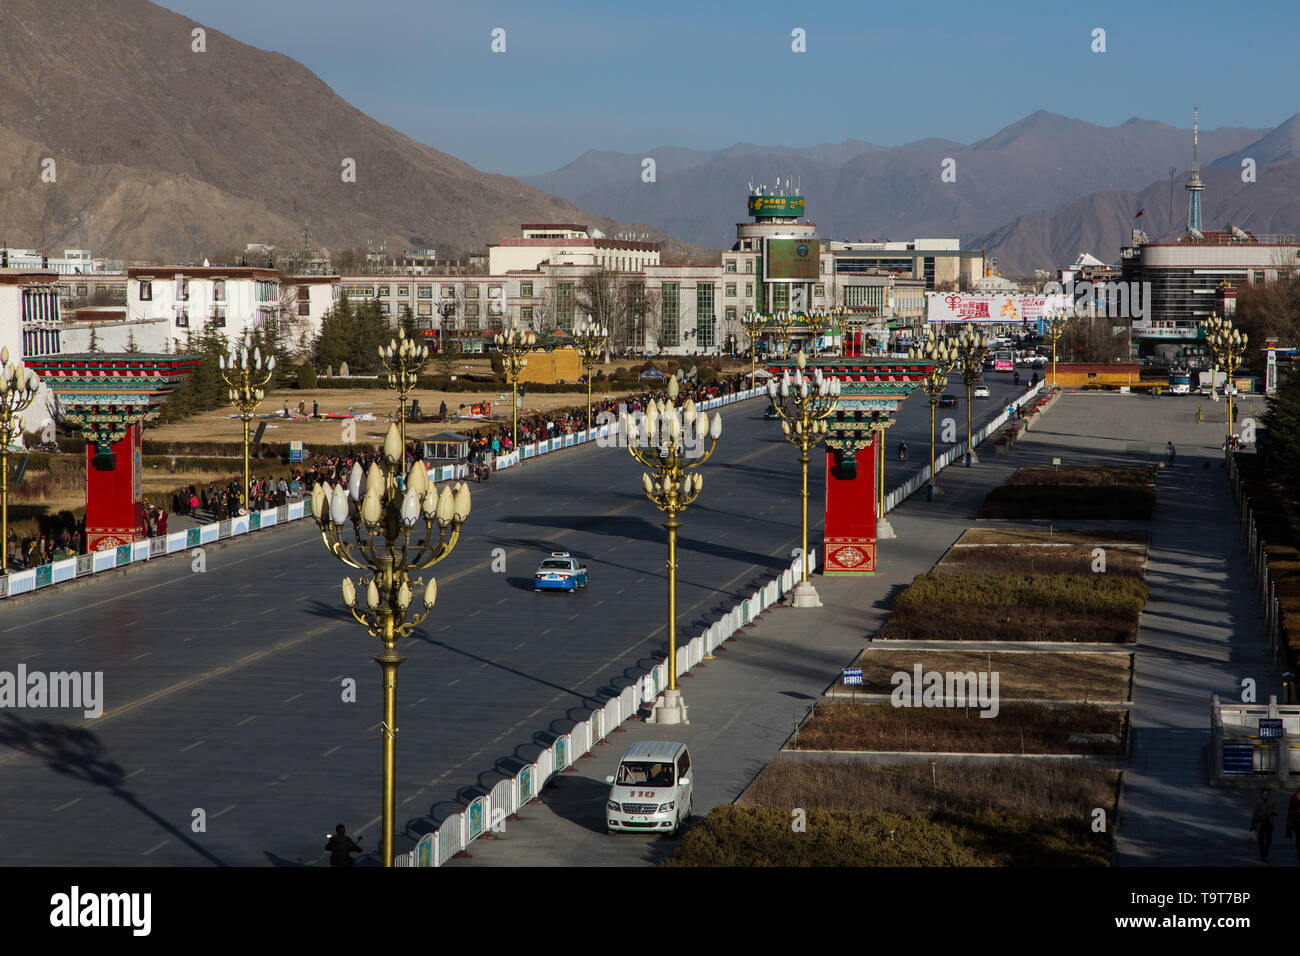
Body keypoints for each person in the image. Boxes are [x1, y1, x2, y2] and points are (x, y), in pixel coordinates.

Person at [1250, 787, 1277, 862]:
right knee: (1261, 841)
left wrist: (1273, 813)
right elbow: (1254, 813)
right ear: (1261, 795)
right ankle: (1262, 854)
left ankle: (1266, 850)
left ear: (1268, 795)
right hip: (1260, 824)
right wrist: (1253, 824)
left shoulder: (1272, 802)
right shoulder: (1258, 802)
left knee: (1269, 840)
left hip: (1269, 824)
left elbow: (1275, 811)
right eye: (1264, 794)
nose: (1265, 795)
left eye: (1267, 794)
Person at [1288, 784, 1300, 862]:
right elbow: (1290, 809)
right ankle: (1299, 853)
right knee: (1298, 838)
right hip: (1296, 820)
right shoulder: (1293, 798)